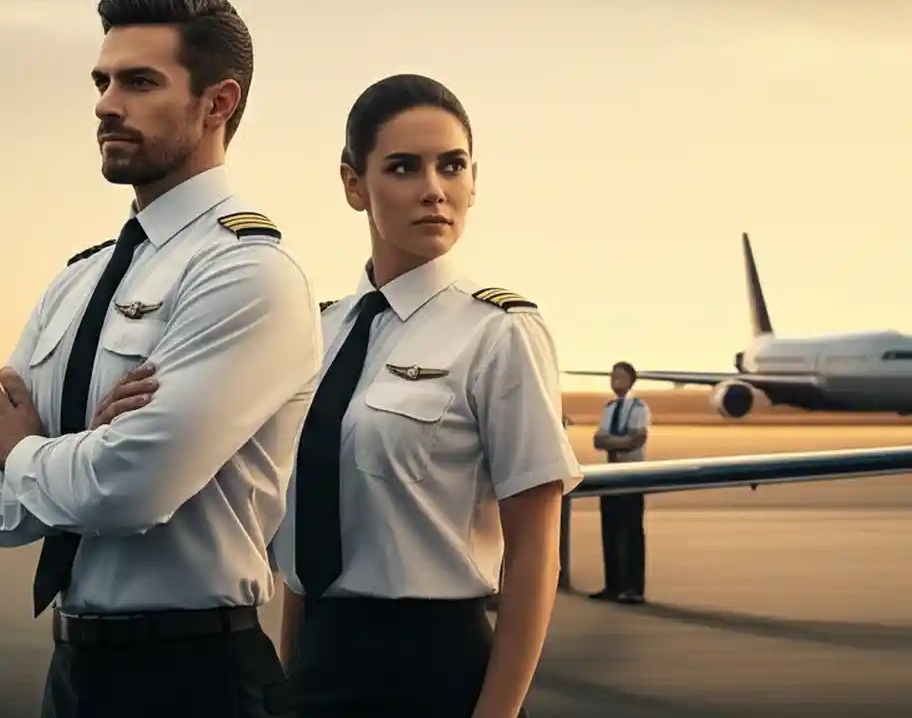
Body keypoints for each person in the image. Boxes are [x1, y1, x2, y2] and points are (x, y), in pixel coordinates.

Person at [102, 73, 583, 718]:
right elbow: (305, 524)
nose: (434, 191)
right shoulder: (313, 331)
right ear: (355, 185)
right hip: (314, 668)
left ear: (474, 181)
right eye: (404, 168)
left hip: (439, 671)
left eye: (453, 166)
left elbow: (533, 554)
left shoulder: (500, 334)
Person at [0, 0, 321, 716]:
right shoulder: (78, 280)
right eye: (101, 83)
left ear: (218, 103)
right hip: (71, 673)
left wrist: (27, 451)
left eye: (139, 83)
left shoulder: (246, 274)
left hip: (195, 677)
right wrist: (82, 452)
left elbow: (131, 488)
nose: (107, 106)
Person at [589, 361, 651, 605]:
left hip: (632, 475)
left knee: (632, 532)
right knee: (610, 530)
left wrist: (611, 441)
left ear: (631, 380)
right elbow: (597, 440)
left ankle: (634, 588)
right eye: (613, 377)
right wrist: (618, 441)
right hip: (611, 475)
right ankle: (613, 585)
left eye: (620, 377)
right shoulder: (609, 408)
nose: (615, 381)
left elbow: (636, 439)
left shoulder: (639, 407)